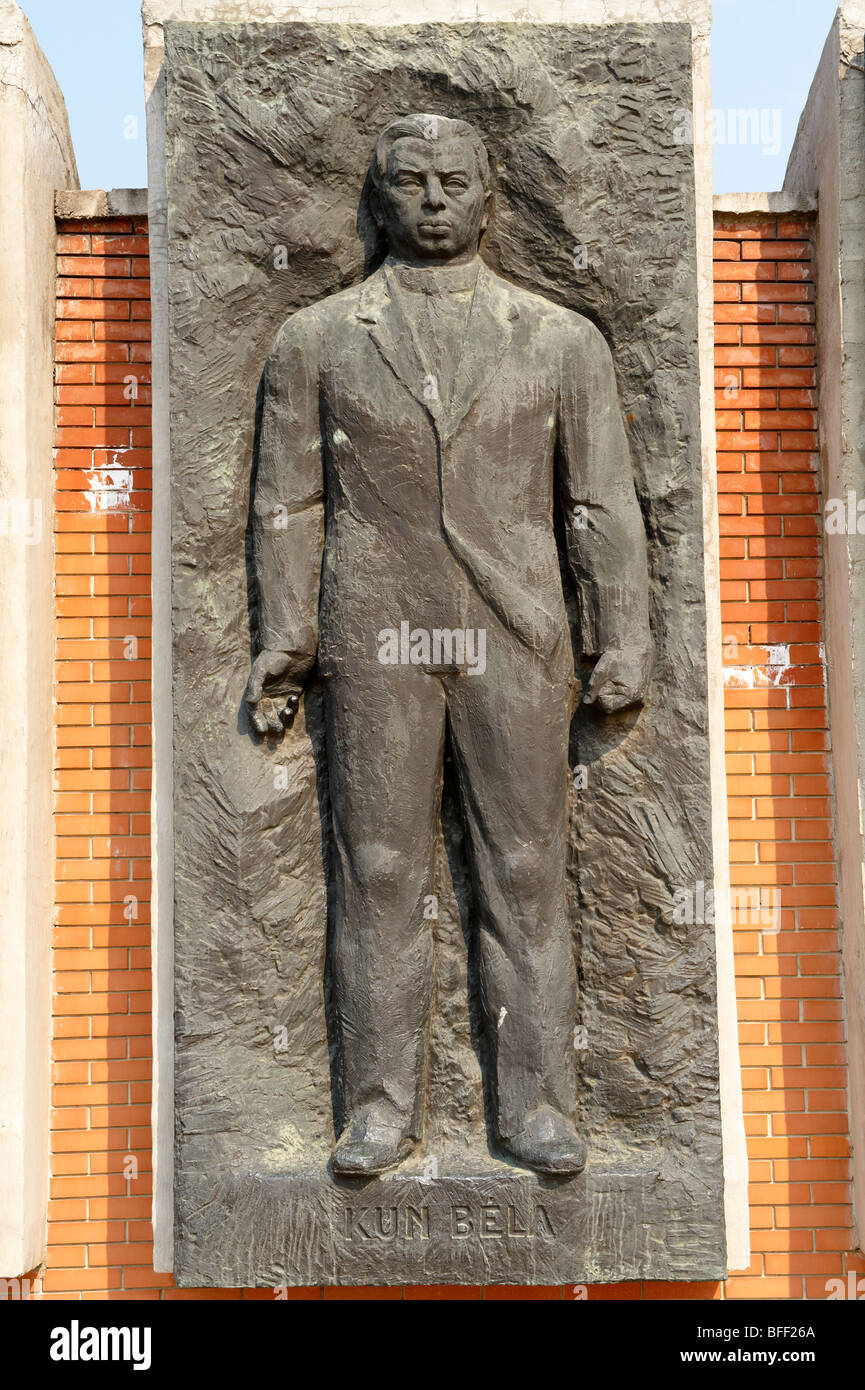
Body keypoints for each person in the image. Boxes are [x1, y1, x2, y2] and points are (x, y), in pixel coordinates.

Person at [247, 113, 652, 1177]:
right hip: (375, 634)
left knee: (524, 869)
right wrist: (286, 638)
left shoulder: (563, 340)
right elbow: (287, 502)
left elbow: (599, 503)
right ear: (378, 198)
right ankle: (378, 1109)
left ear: (487, 198)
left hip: (515, 637)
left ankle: (537, 1111)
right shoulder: (318, 340)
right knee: (376, 870)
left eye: (452, 181)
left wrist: (622, 637)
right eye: (410, 181)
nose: (431, 199)